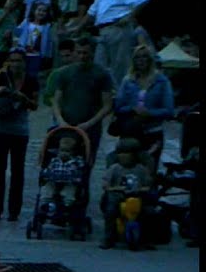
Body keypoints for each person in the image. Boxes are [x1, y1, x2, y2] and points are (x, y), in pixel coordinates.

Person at [77, 0, 150, 81]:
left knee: (120, 65)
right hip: (103, 30)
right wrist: (79, 27)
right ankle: (106, 94)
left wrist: (129, 16)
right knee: (99, 65)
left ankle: (121, 95)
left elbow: (142, 0)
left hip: (118, 28)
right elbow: (92, 12)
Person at [0, 48, 38, 222]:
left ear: (24, 62)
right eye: (13, 60)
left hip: (20, 130)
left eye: (19, 60)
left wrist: (23, 98)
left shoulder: (31, 80)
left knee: (18, 170)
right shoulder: (2, 78)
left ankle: (14, 210)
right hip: (0, 128)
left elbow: (35, 104)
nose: (15, 64)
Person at [51, 37, 113, 167]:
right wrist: (60, 120)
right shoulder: (64, 73)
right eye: (79, 52)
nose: (82, 56)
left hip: (91, 127)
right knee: (61, 163)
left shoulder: (101, 74)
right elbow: (56, 100)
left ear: (92, 53)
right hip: (66, 125)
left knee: (86, 164)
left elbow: (107, 105)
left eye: (85, 53)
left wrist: (89, 123)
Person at [113, 44, 175, 164]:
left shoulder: (161, 81)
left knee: (150, 169)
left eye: (144, 57)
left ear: (150, 59)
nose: (141, 60)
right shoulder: (128, 80)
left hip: (153, 131)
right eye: (137, 57)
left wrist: (149, 113)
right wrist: (132, 109)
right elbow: (118, 106)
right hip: (131, 131)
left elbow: (169, 110)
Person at [99, 138, 154, 250]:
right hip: (118, 195)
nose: (123, 156)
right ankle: (108, 238)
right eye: (121, 153)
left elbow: (148, 185)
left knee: (148, 212)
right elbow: (105, 184)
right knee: (111, 211)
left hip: (137, 196)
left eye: (127, 154)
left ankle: (145, 239)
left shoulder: (141, 169)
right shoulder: (115, 168)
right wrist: (114, 188)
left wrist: (141, 189)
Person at [41, 134, 85, 209]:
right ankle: (45, 203)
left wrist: (77, 176)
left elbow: (81, 169)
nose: (64, 153)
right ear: (58, 151)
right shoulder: (54, 160)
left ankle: (67, 205)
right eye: (62, 150)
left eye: (67, 151)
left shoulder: (76, 161)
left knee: (70, 191)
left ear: (73, 152)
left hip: (69, 182)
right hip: (53, 181)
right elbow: (48, 169)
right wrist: (46, 174)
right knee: (46, 188)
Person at [17, 2, 54, 78]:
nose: (41, 12)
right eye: (39, 10)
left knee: (32, 76)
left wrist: (48, 55)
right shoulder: (27, 22)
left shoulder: (47, 26)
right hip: (23, 53)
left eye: (44, 11)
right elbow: (17, 32)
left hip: (37, 55)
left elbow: (49, 42)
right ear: (34, 11)